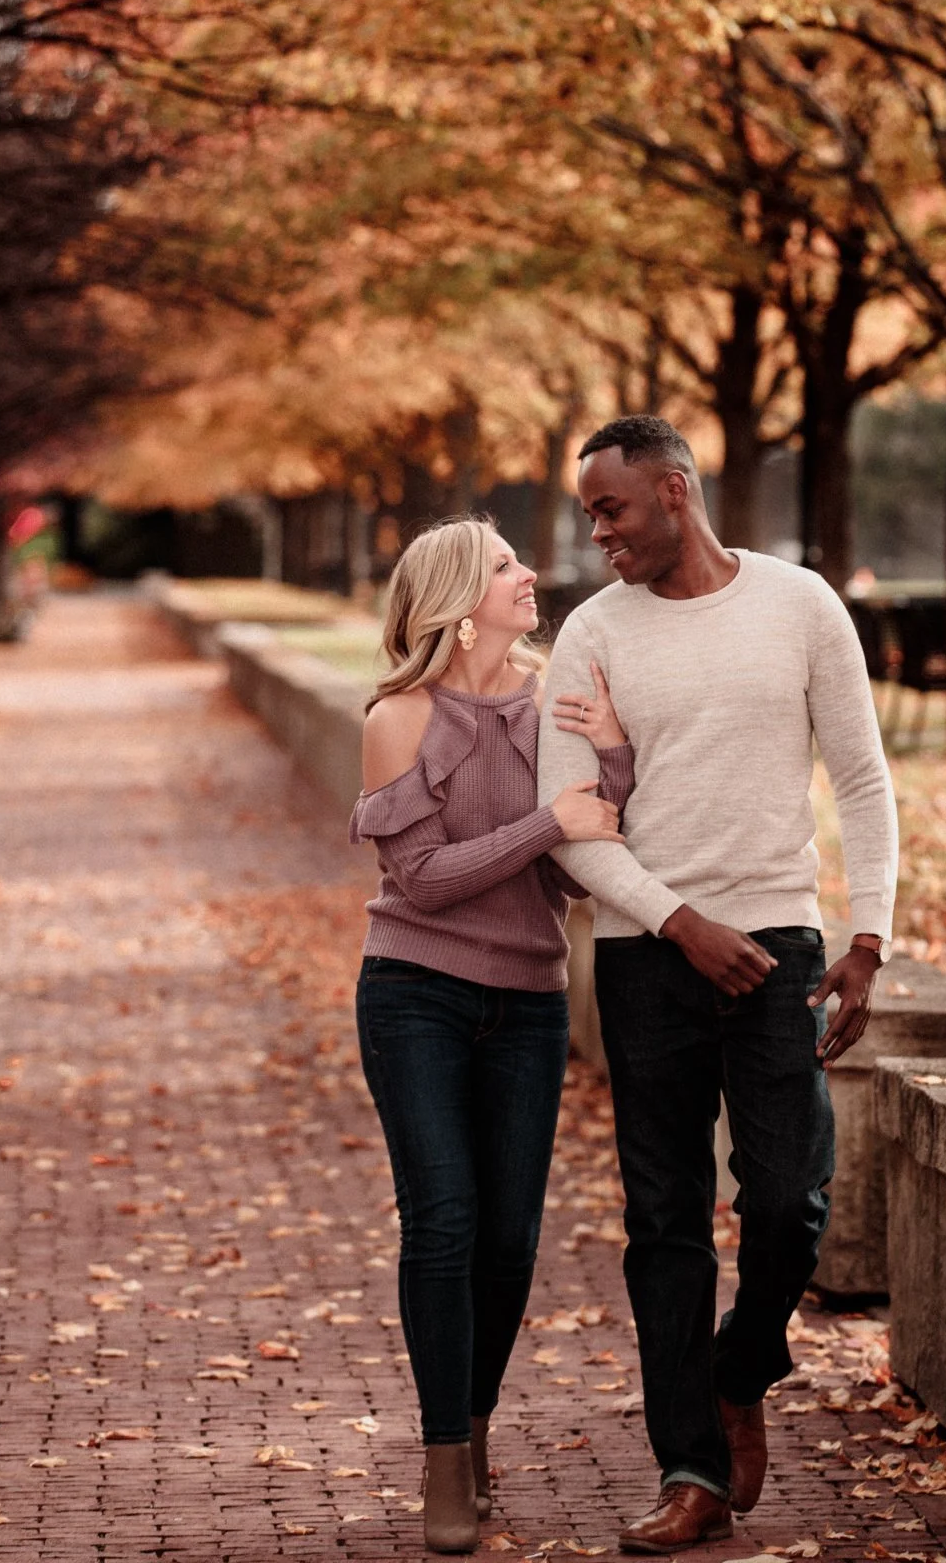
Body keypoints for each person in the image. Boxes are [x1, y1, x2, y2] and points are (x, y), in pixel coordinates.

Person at [539, 416, 899, 1553]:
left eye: (612, 509)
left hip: (782, 947)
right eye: (590, 514)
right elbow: (570, 829)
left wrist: (868, 940)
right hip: (650, 958)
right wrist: (678, 922)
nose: (596, 533)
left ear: (676, 492)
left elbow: (862, 780)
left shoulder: (798, 606)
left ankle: (739, 1367)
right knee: (664, 1221)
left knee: (790, 1200)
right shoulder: (590, 635)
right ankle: (689, 1470)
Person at [351, 517, 633, 1554]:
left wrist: (607, 751)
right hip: (413, 995)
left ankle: (473, 1433)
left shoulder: (551, 696)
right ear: (462, 598)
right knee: (446, 1220)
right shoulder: (398, 716)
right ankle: (439, 1465)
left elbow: (589, 844)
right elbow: (420, 880)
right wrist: (548, 823)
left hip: (528, 1002)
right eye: (509, 565)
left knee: (512, 1234)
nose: (529, 577)